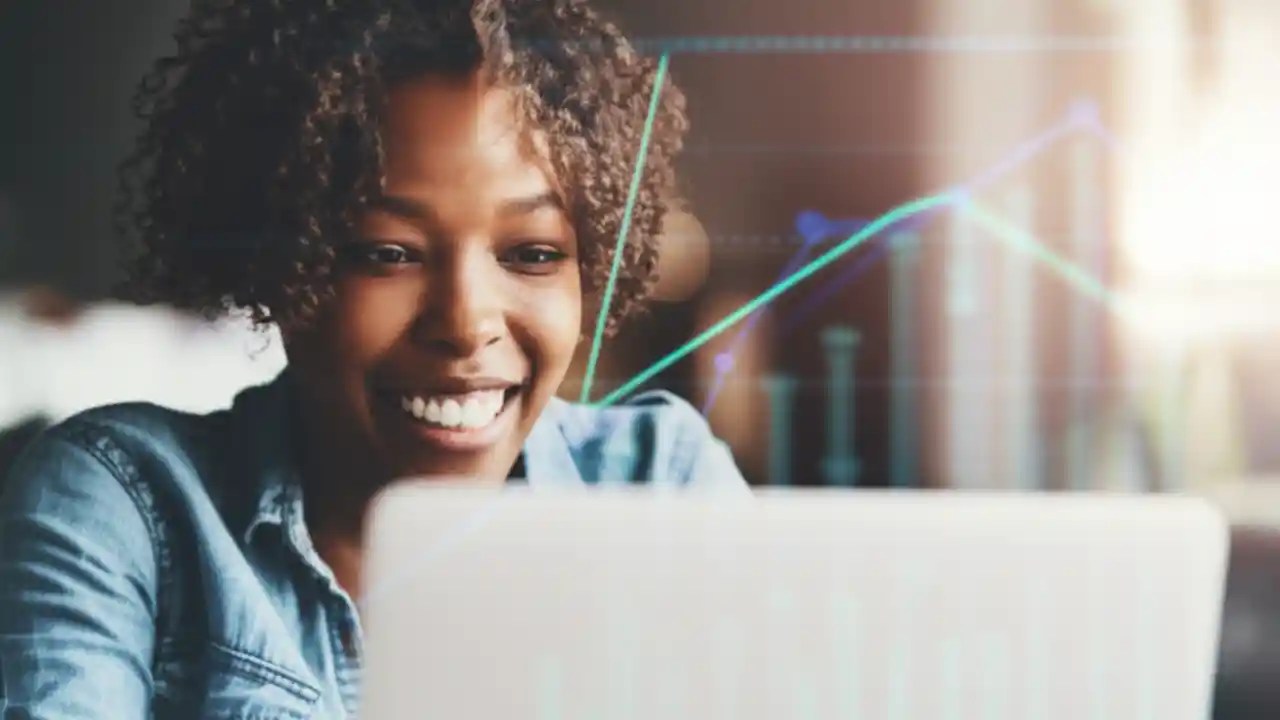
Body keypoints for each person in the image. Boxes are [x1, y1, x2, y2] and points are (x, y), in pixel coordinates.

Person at [0, 1, 746, 717]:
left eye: (533, 253)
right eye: (387, 254)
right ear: (280, 262)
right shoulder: (126, 509)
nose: (464, 323)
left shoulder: (660, 487)